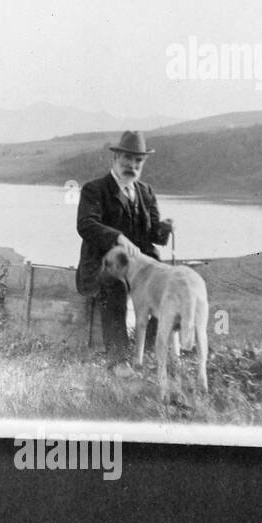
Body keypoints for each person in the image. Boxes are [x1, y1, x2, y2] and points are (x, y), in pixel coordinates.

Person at [75, 131, 174, 378]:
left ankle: (151, 354)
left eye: (137, 161)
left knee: (164, 286)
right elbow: (86, 225)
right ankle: (118, 361)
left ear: (143, 163)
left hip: (138, 270)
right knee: (115, 285)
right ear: (115, 158)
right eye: (127, 159)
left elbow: (153, 235)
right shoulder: (94, 190)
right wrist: (117, 237)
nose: (132, 166)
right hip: (102, 267)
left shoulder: (146, 192)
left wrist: (165, 228)